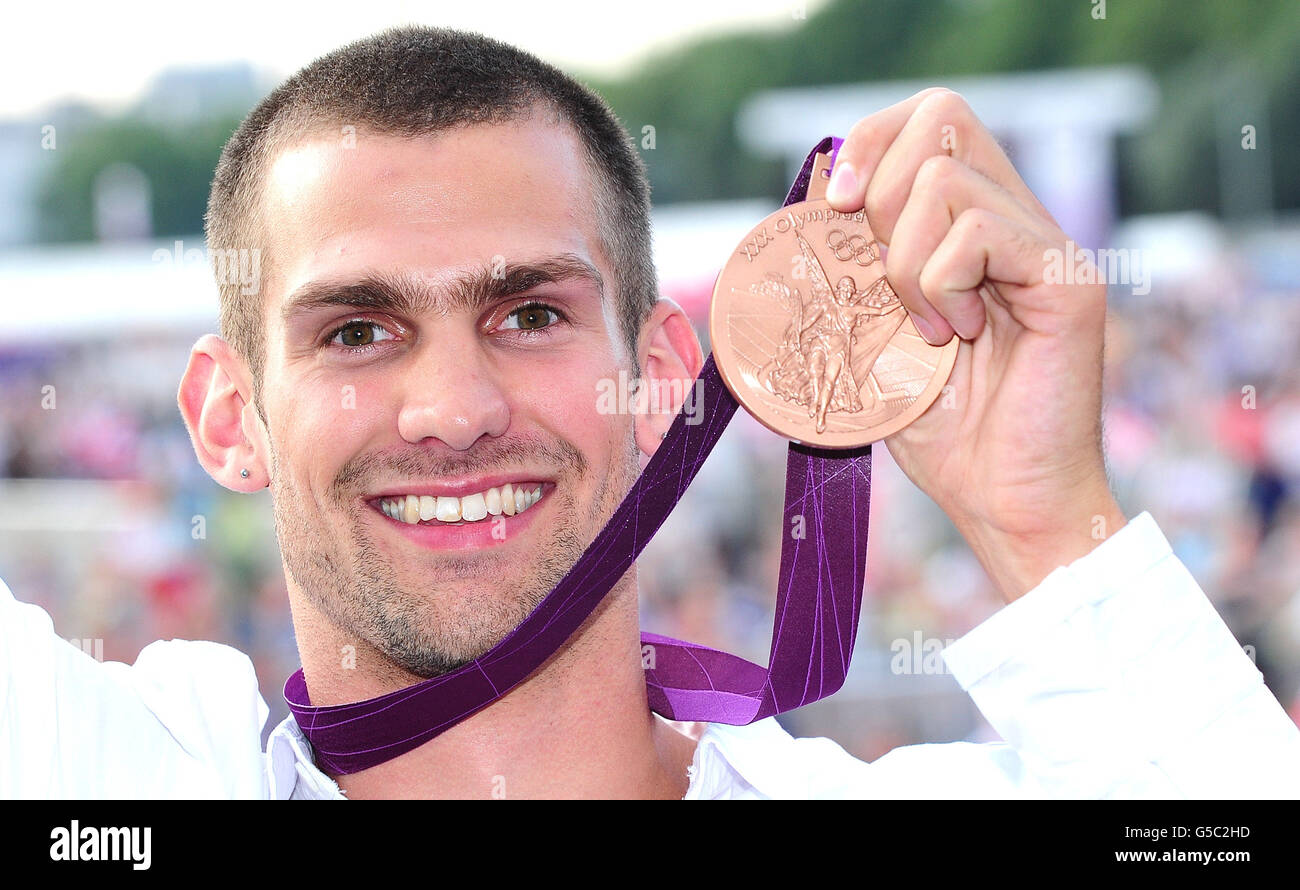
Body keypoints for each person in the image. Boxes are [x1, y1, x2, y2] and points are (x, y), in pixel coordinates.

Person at [3, 25, 1298, 799]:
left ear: (670, 373)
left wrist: (1048, 530)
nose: (452, 408)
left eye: (529, 314)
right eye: (356, 330)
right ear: (228, 416)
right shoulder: (103, 782)